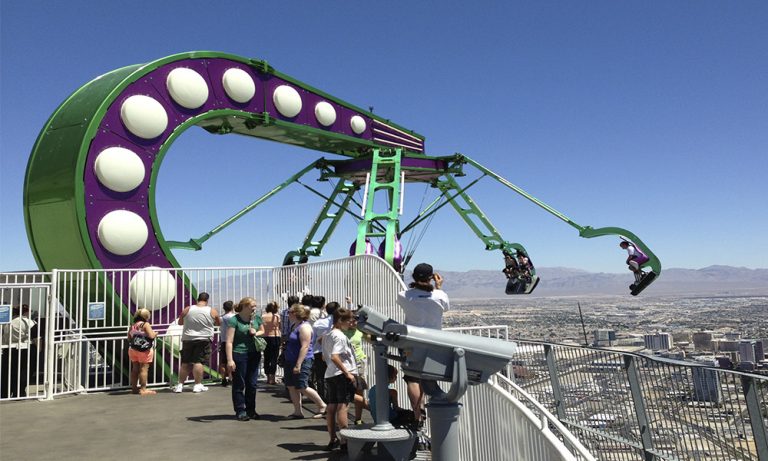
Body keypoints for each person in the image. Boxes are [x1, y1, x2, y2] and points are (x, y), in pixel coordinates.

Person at [396, 262, 450, 422]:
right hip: (434, 342)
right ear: (432, 277)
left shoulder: (403, 295)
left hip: (411, 341)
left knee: (412, 377)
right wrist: (438, 287)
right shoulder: (440, 295)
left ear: (413, 277)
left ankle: (417, 413)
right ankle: (429, 411)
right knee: (429, 376)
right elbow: (445, 308)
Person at [321, 308, 357, 452]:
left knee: (331, 407)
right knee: (343, 406)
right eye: (348, 320)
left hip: (330, 374)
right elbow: (335, 356)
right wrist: (347, 373)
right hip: (341, 374)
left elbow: (325, 356)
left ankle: (332, 439)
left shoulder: (327, 335)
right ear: (340, 321)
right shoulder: (340, 336)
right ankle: (345, 441)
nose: (351, 323)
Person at [283, 304, 326, 419]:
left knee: (302, 386)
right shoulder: (294, 326)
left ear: (296, 313)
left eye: (290, 312)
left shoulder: (304, 327)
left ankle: (322, 405)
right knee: (291, 386)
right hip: (290, 360)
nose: (288, 314)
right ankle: (297, 411)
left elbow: (305, 346)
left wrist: (298, 364)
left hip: (302, 360)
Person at [225, 297, 264, 421]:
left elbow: (262, 331)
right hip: (239, 354)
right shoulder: (234, 320)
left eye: (255, 306)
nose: (254, 308)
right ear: (245, 306)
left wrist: (255, 333)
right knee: (239, 383)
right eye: (252, 306)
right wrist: (230, 360)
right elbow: (229, 341)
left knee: (252, 384)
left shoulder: (257, 318)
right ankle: (240, 410)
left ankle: (251, 409)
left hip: (254, 353)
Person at [174, 292, 220, 393]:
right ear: (207, 300)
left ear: (197, 299)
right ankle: (197, 385)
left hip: (188, 339)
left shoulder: (188, 309)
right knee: (198, 362)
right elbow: (218, 323)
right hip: (203, 339)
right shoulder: (212, 311)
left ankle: (180, 385)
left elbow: (180, 322)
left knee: (185, 362)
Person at [1, 305, 36, 398]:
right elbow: (36, 337)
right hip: (24, 349)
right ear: (26, 312)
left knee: (8, 373)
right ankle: (19, 392)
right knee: (23, 372)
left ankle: (5, 393)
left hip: (8, 349)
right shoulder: (29, 322)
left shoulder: (8, 322)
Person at [343, 304, 369, 425]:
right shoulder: (341, 331)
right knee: (347, 392)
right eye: (351, 320)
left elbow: (370, 338)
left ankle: (358, 418)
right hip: (346, 363)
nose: (353, 322)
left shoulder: (360, 331)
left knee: (359, 390)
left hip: (359, 362)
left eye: (355, 320)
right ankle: (343, 417)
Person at [127, 308, 158, 396]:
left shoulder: (133, 325)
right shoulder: (145, 324)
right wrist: (156, 333)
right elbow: (151, 336)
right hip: (144, 350)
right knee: (144, 369)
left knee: (135, 369)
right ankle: (143, 389)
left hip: (133, 349)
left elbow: (129, 338)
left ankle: (134, 388)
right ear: (146, 316)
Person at [311, 298, 336, 397]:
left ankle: (323, 397)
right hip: (332, 352)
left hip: (318, 351)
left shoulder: (318, 322)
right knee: (333, 375)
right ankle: (332, 396)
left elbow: (313, 338)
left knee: (320, 376)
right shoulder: (336, 322)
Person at [261, 301, 282, 385]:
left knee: (266, 357)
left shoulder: (263, 316)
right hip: (275, 337)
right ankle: (272, 378)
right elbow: (280, 327)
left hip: (265, 337)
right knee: (274, 358)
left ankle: (267, 378)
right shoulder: (277, 317)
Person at [218, 301, 235, 387]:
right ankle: (231, 377)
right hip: (233, 341)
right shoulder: (235, 317)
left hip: (223, 340)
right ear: (232, 307)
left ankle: (223, 379)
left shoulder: (221, 318)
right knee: (232, 360)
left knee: (223, 362)